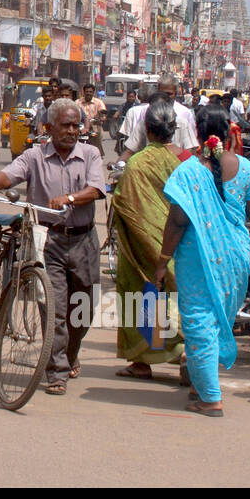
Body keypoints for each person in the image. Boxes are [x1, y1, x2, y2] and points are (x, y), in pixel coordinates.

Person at [0, 99, 106, 394]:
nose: (72, 131)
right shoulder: (35, 156)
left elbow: (97, 189)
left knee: (85, 308)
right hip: (48, 242)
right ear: (49, 128)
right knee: (54, 309)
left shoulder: (90, 154)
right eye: (65, 125)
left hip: (84, 240)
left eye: (76, 125)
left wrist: (70, 198)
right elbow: (10, 173)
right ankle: (57, 372)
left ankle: (70, 354)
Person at [155, 105, 250, 416]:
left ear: (199, 133)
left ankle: (210, 398)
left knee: (199, 320)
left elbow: (176, 221)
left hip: (196, 255)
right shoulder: (245, 168)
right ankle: (199, 383)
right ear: (230, 129)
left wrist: (162, 261)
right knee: (219, 316)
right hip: (234, 255)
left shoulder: (189, 171)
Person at [111, 98, 185, 379]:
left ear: (147, 128)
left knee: (140, 295)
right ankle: (186, 356)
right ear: (174, 129)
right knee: (178, 297)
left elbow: (126, 203)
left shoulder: (137, 164)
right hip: (181, 245)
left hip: (144, 245)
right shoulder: (188, 160)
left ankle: (142, 361)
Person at [119, 74, 199, 162]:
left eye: (169, 94)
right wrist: (119, 163)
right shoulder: (146, 115)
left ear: (176, 93)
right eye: (162, 93)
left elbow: (190, 148)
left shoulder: (184, 116)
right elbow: (130, 150)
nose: (165, 97)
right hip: (148, 166)